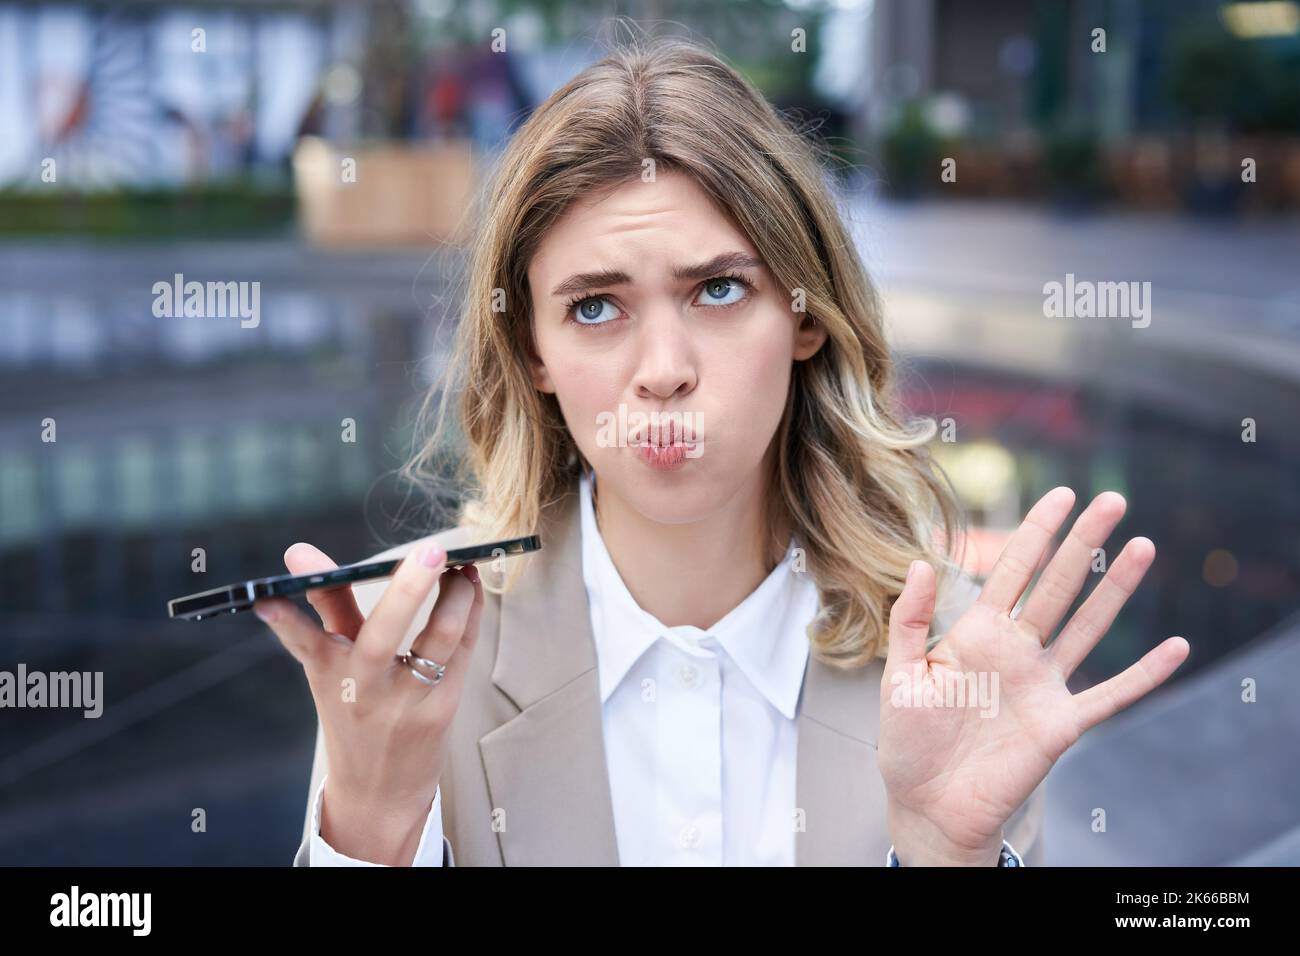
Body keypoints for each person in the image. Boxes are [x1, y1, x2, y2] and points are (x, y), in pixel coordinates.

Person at [255, 34, 1190, 867]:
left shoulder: (957, 654)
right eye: (594, 306)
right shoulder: (396, 651)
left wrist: (947, 860)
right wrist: (370, 832)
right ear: (532, 353)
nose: (662, 371)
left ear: (806, 314)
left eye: (717, 291)